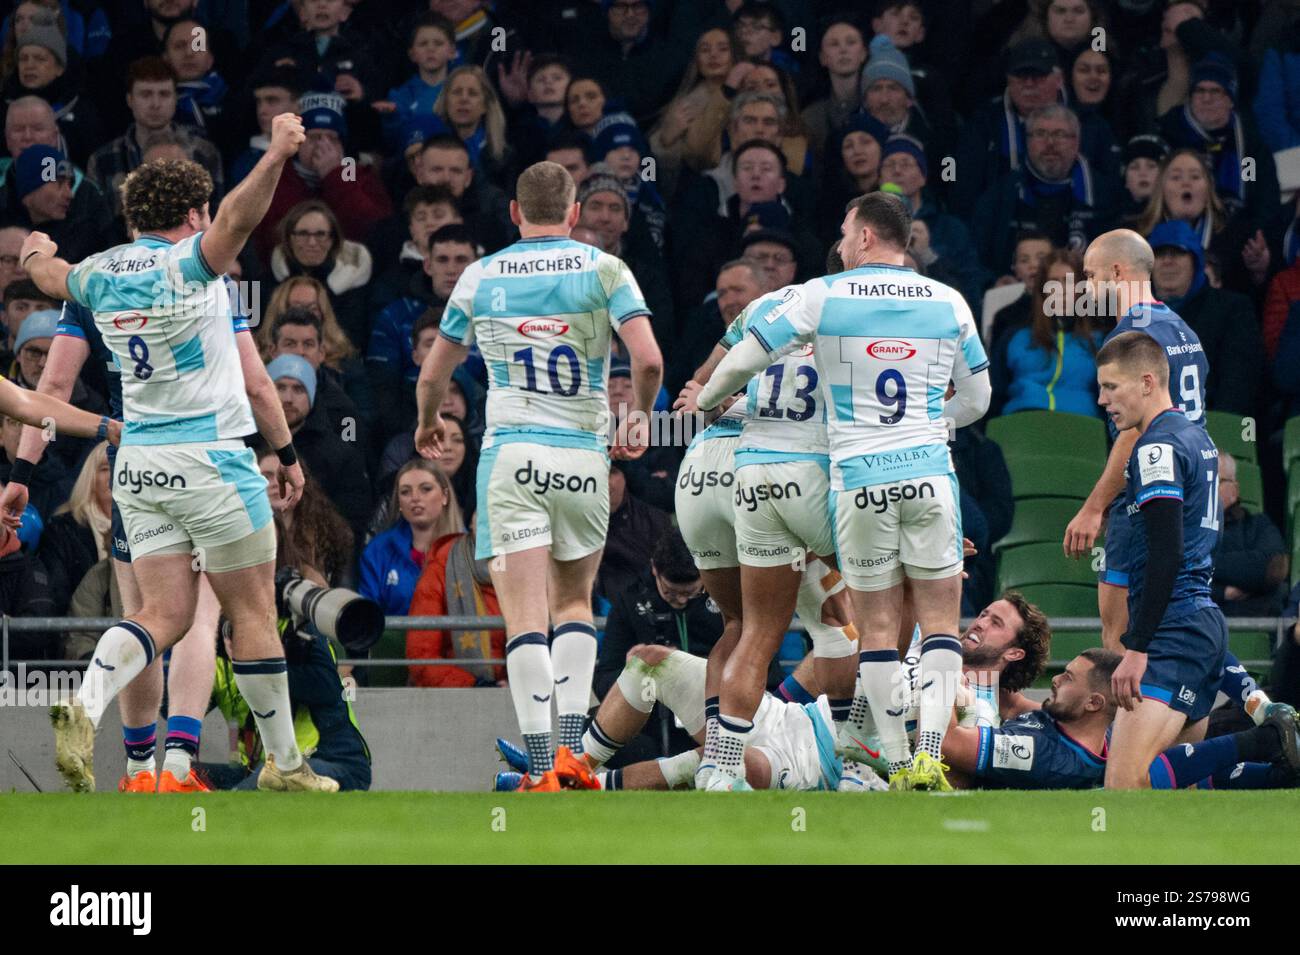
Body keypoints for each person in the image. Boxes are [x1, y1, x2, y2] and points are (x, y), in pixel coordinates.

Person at [24, 113, 337, 793]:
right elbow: (240, 225)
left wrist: (30, 256)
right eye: (204, 213)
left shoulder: (99, 272)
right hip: (212, 460)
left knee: (159, 615)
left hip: (137, 464)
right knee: (251, 614)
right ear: (193, 211)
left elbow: (52, 277)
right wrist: (280, 152)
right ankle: (285, 764)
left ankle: (84, 704)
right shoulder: (195, 269)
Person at [687, 192, 992, 792]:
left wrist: (703, 399)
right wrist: (930, 422)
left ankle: (720, 768)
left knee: (759, 629)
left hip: (759, 473)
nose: (843, 241)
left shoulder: (813, 297)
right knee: (933, 620)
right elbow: (978, 400)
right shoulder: (949, 299)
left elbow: (738, 358)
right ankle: (892, 750)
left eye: (846, 230)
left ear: (866, 238)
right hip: (910, 472)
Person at [414, 160, 663, 789]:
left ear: (515, 213)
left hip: (512, 457)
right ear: (575, 213)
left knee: (524, 617)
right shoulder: (606, 269)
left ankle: (539, 763)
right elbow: (650, 359)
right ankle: (574, 754)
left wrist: (426, 421)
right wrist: (637, 416)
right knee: (575, 602)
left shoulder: (480, 274)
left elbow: (433, 375)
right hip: (582, 454)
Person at [1063, 230, 1208, 653]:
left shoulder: (1130, 342)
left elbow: (1134, 434)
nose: (1087, 288)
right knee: (1176, 624)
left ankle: (1122, 722)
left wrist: (1094, 506)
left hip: (1147, 493)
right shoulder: (1183, 331)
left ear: (1116, 271)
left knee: (1120, 640)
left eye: (1090, 276)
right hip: (1190, 493)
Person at [1091, 331, 1224, 789]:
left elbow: (1166, 552)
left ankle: (1261, 747)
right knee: (1175, 790)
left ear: (1147, 381)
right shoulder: (1198, 438)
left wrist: (1138, 646)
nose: (1103, 399)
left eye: (1111, 387)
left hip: (1170, 632)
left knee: (1124, 784)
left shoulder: (1155, 449)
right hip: (1200, 622)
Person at [989, 248, 1104, 419]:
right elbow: (993, 395)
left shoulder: (1100, 341)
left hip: (1082, 428)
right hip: (1021, 425)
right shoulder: (1014, 337)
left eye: (1069, 282)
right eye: (1054, 282)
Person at [406, 511, 505, 688]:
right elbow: (421, 655)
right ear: (471, 522)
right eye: (483, 509)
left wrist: (517, 682)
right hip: (454, 696)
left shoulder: (532, 565)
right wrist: (475, 685)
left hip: (521, 692)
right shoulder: (440, 568)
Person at [359, 459, 462, 617]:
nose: (415, 498)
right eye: (405, 492)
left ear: (444, 496)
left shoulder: (471, 550)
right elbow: (367, 616)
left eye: (426, 489)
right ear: (399, 502)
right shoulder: (378, 550)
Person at [1210, 454, 1289, 618]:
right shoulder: (1183, 528)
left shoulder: (1257, 525)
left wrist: (1203, 562)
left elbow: (1273, 568)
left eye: (1215, 481)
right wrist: (1222, 592)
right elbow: (1171, 579)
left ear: (1235, 489)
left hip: (1254, 623)